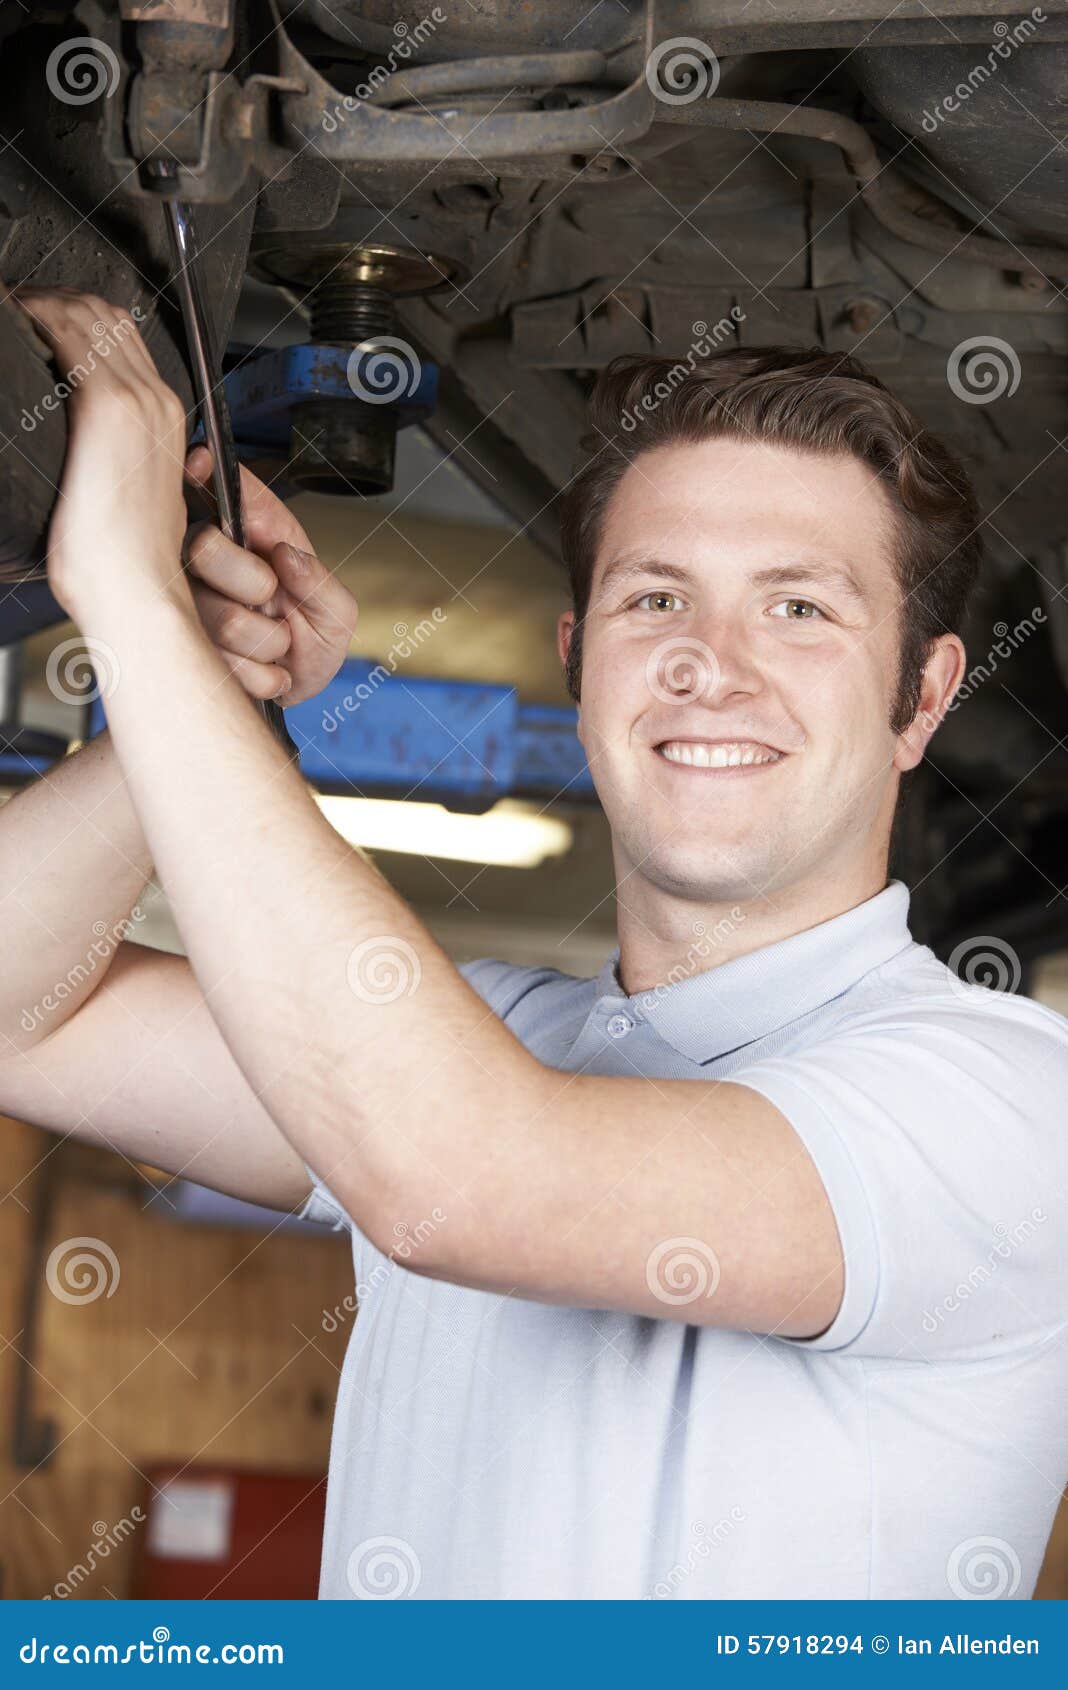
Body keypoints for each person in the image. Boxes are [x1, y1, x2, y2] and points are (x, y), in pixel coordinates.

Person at [2, 287, 1065, 1602]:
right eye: (654, 597)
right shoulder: (472, 1046)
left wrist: (132, 603)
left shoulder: (1008, 1100)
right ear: (578, 659)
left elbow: (459, 1180)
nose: (709, 664)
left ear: (923, 695)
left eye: (800, 610)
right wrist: (201, 690)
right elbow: (18, 1011)